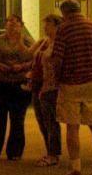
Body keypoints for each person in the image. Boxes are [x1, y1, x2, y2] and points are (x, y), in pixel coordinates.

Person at [51, 0, 92, 175]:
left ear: (64, 12)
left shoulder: (63, 29)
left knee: (72, 126)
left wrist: (57, 77)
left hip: (70, 83)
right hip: (91, 82)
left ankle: (76, 166)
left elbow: (58, 58)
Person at [0, 15, 34, 162]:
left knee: (18, 119)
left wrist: (22, 67)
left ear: (21, 25)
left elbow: (34, 60)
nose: (12, 25)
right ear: (5, 25)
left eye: (16, 22)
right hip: (1, 81)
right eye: (9, 22)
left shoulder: (27, 41)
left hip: (20, 82)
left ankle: (15, 151)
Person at [30, 14, 63, 168]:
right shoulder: (44, 41)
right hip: (37, 85)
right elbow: (29, 54)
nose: (45, 27)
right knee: (41, 120)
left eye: (48, 24)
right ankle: (49, 150)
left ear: (57, 26)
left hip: (50, 87)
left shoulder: (59, 44)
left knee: (51, 121)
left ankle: (53, 154)